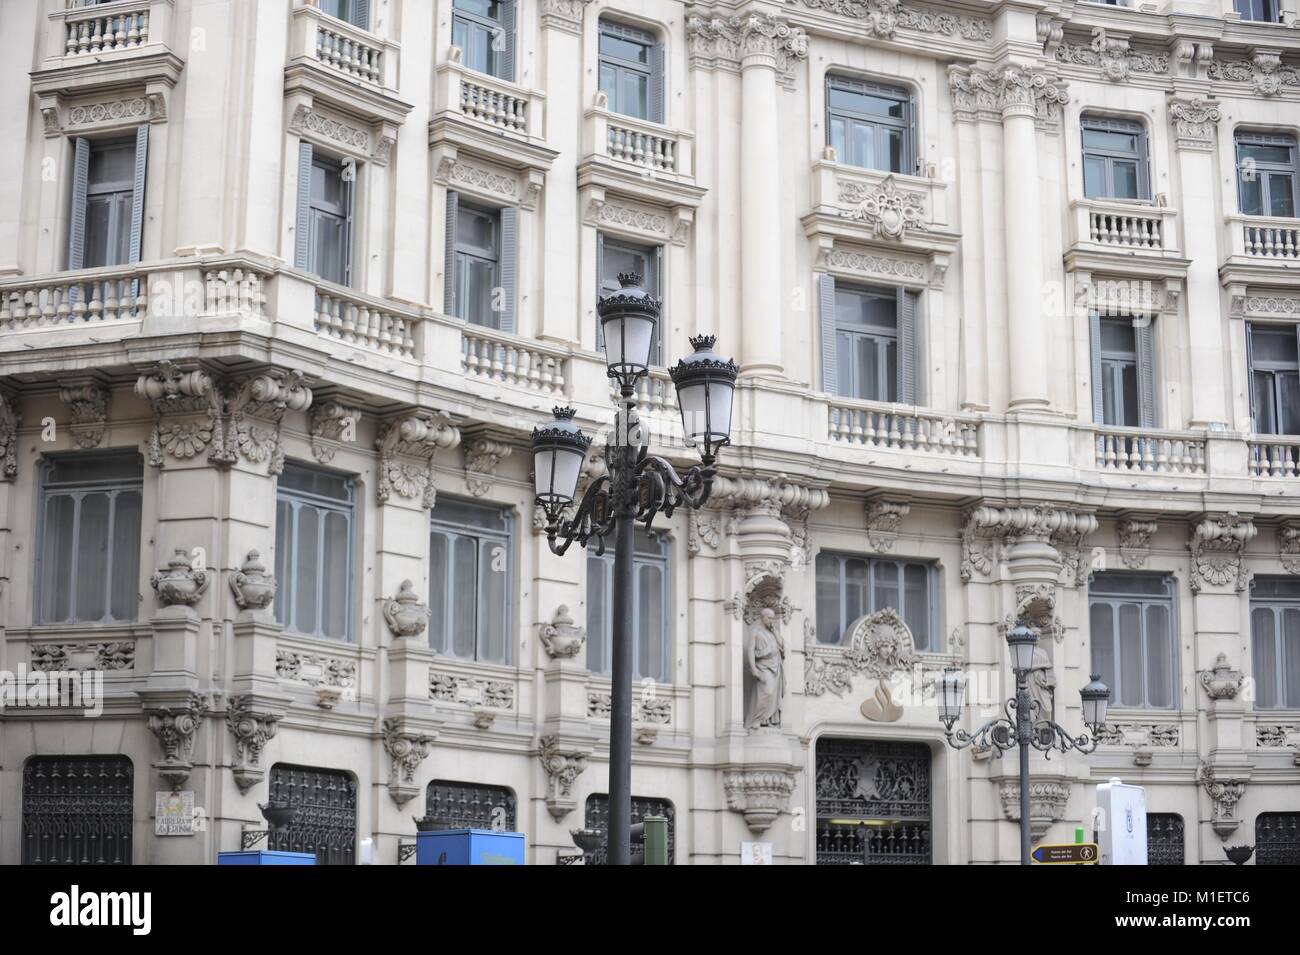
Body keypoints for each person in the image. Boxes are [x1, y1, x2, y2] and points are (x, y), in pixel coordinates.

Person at [745, 607, 785, 728]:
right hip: (763, 666)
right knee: (767, 691)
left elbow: (782, 645)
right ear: (762, 618)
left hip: (775, 666)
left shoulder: (772, 632)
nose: (771, 621)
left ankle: (766, 719)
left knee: (772, 694)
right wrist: (753, 669)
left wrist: (775, 631)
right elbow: (751, 649)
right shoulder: (755, 631)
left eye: (773, 618)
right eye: (769, 618)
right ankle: (757, 719)